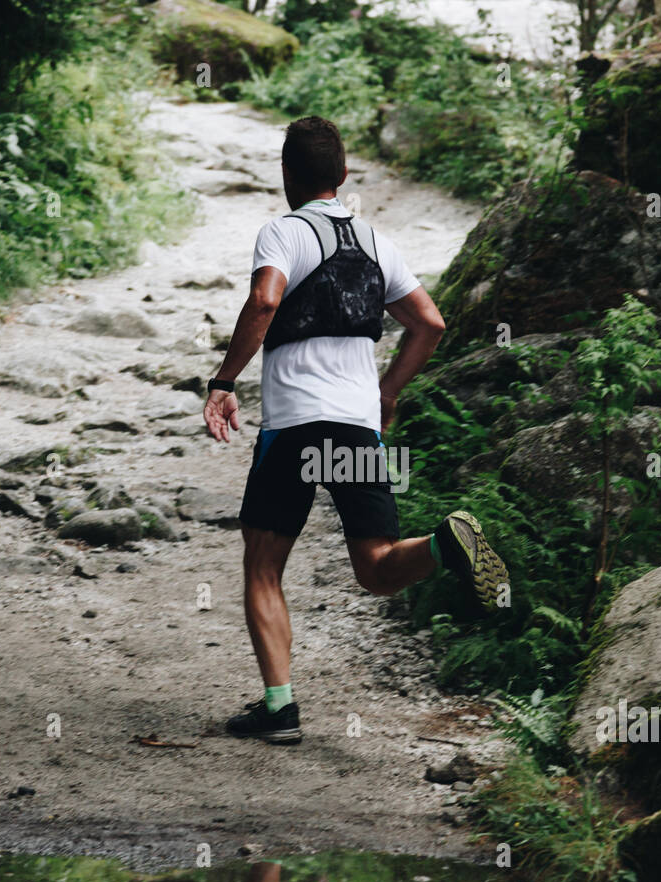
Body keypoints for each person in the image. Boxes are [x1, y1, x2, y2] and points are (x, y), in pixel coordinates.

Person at [203, 116, 508, 744]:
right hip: (356, 427)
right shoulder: (375, 242)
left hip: (292, 428)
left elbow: (264, 302)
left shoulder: (283, 232)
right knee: (375, 568)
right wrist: (387, 393)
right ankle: (446, 545)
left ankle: (280, 708)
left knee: (263, 565)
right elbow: (429, 324)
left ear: (287, 175)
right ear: (343, 176)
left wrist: (224, 380)